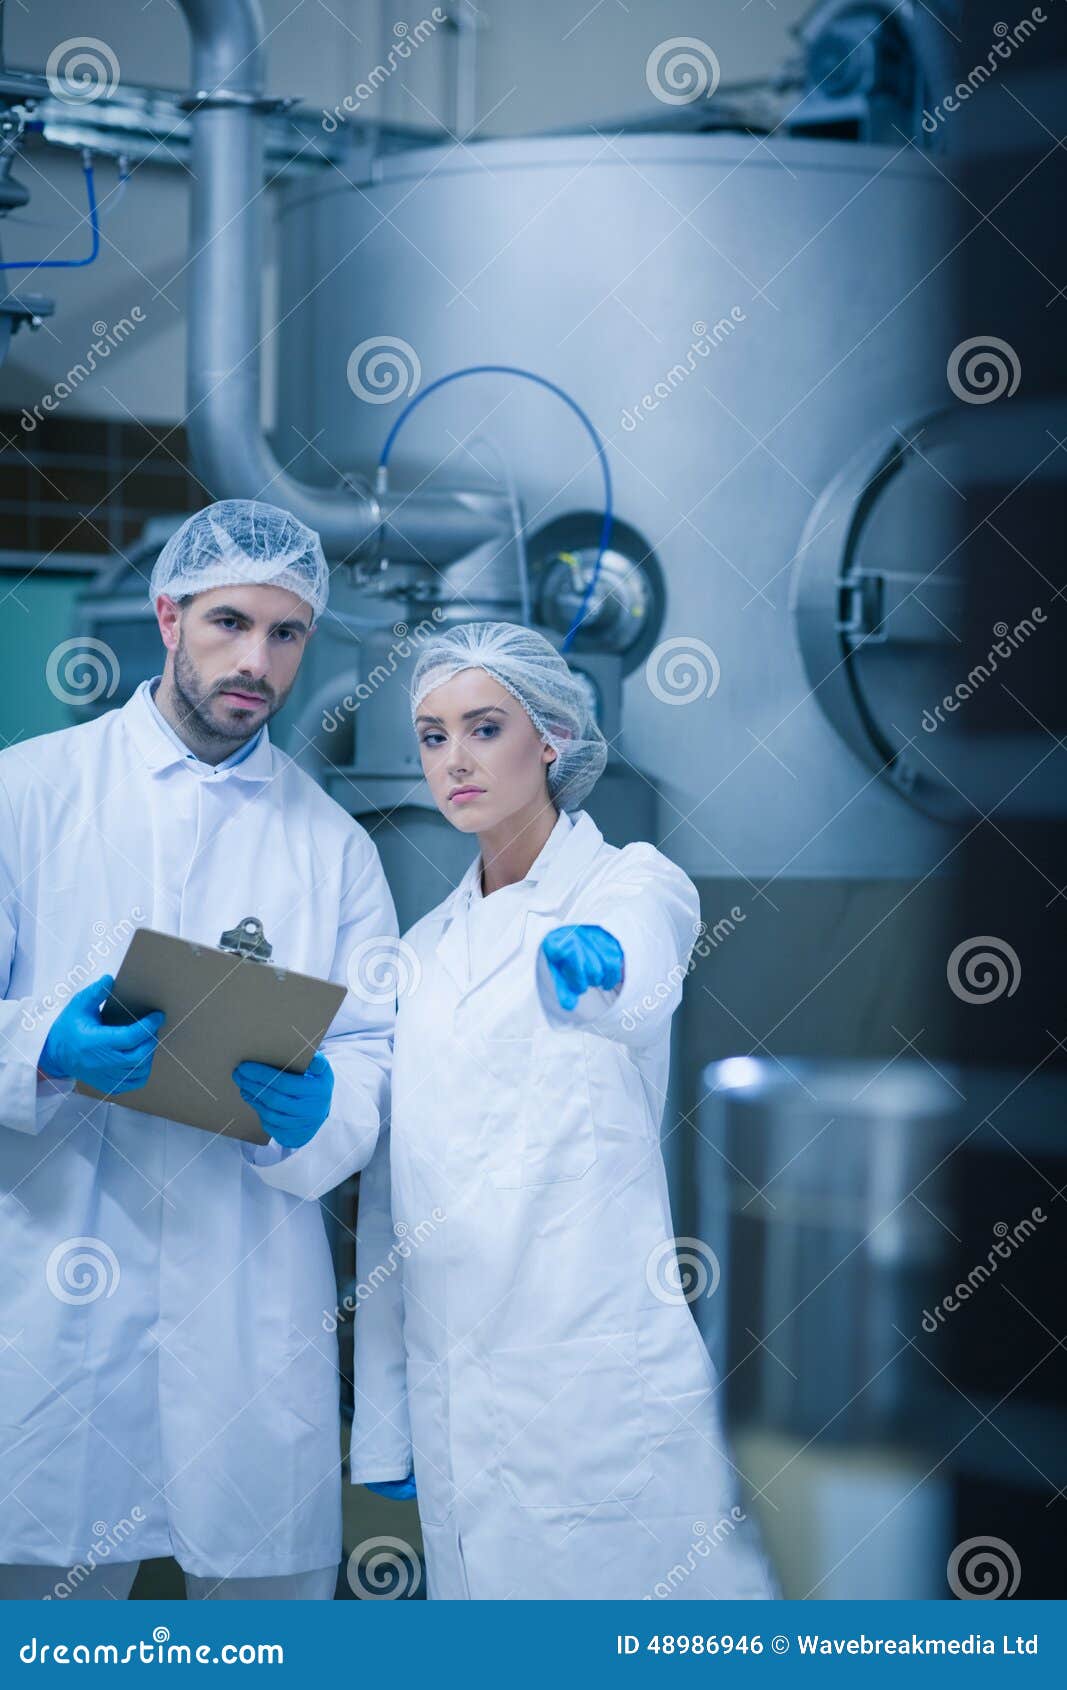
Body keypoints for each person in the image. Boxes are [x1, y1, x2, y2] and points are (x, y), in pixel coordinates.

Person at [0, 500, 397, 1600]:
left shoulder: (334, 846)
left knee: (264, 1623)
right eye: (229, 623)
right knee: (44, 1618)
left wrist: (326, 1112)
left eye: (286, 634)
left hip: (246, 1295)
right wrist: (42, 1047)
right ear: (168, 616)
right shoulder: (26, 792)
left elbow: (371, 1054)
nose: (255, 661)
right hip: (50, 1288)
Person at [350, 620, 777, 1600]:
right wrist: (386, 1414)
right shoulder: (420, 950)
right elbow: (389, 1194)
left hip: (595, 1385)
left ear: (549, 738)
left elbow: (642, 958)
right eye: (430, 734)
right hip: (460, 1398)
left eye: (483, 727)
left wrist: (603, 964)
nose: (452, 759)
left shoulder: (625, 880)